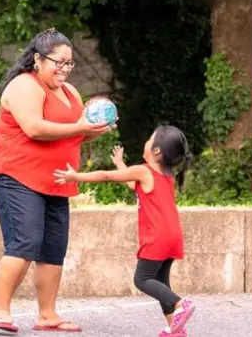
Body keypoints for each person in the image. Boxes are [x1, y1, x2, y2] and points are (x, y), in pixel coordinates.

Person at [0, 28, 115, 333]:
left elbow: (76, 129)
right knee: (24, 242)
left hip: (57, 178)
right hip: (17, 175)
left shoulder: (71, 93)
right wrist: (81, 126)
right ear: (38, 59)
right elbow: (34, 128)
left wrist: (94, 128)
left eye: (69, 64)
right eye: (59, 62)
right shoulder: (23, 86)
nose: (64, 69)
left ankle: (47, 315)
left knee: (54, 249)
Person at [53, 125, 196, 336]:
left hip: (157, 237)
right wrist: (120, 163)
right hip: (173, 236)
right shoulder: (166, 175)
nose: (146, 141)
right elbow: (132, 185)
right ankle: (175, 329)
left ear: (156, 151)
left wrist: (76, 177)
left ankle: (180, 304)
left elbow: (105, 177)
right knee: (161, 282)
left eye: (150, 138)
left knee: (142, 279)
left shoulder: (144, 170)